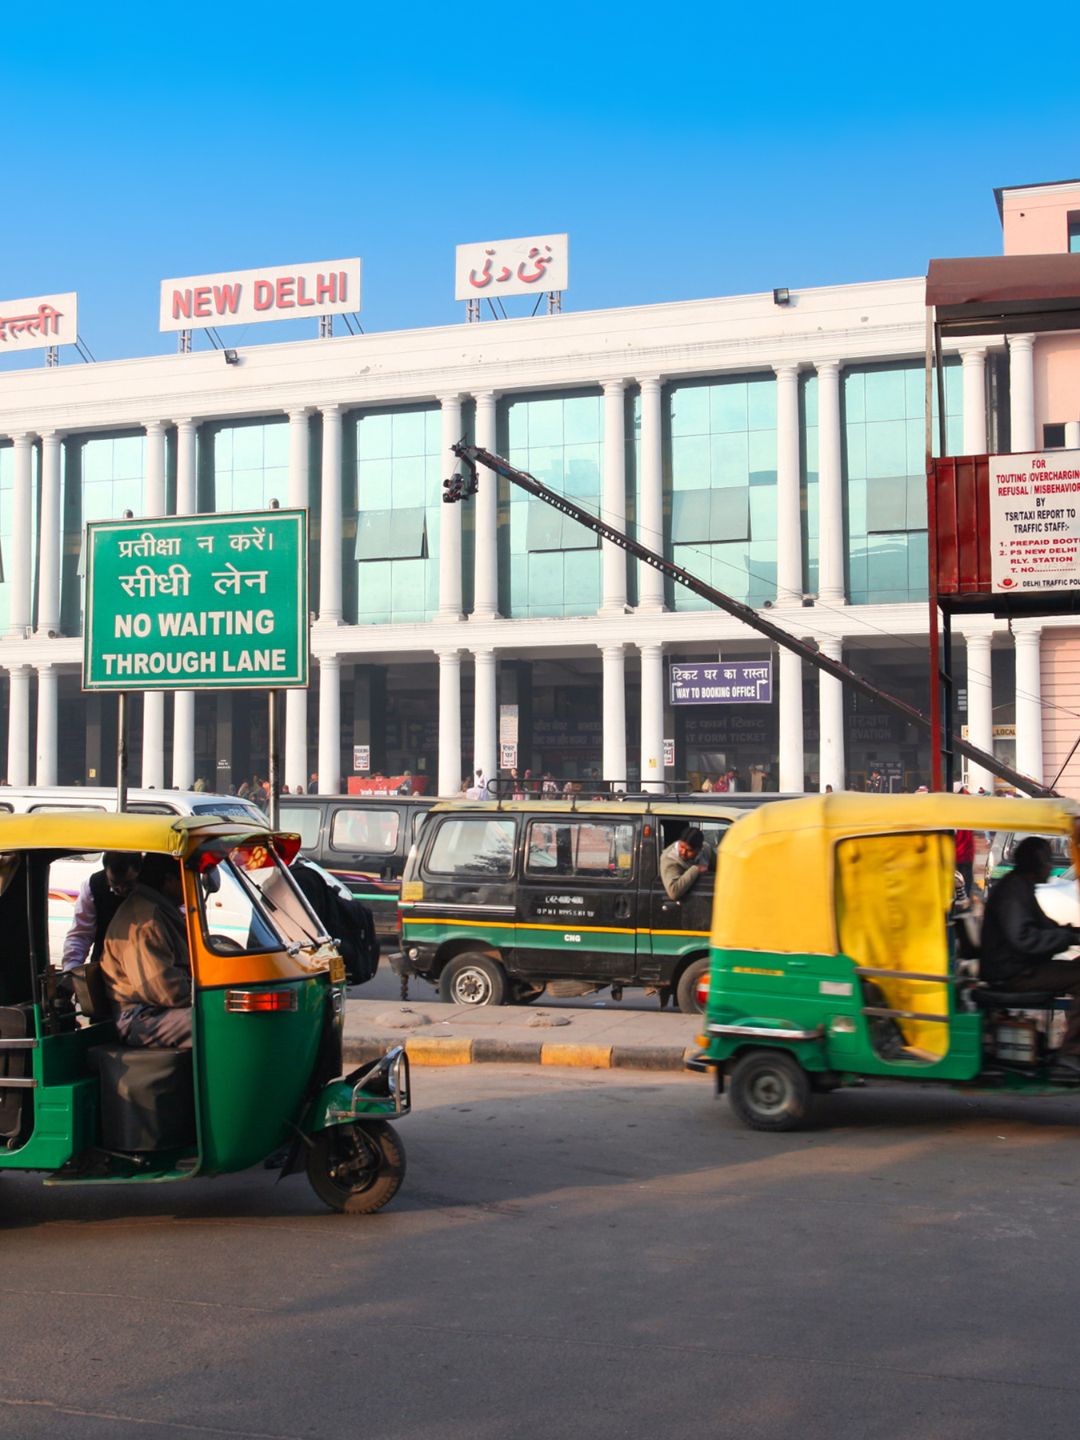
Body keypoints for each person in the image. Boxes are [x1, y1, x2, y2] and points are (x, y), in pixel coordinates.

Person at [980, 836, 1080, 1071]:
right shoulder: (1014, 890)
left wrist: (1071, 933)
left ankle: (1071, 1046)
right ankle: (1072, 1053)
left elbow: (1045, 927)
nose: (1050, 867)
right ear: (1037, 864)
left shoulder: (1021, 886)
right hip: (1013, 972)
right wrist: (1066, 938)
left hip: (1018, 966)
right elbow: (1025, 939)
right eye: (1047, 861)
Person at [100, 852, 192, 1049]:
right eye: (189, 879)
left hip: (158, 1009)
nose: (194, 887)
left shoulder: (159, 910)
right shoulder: (145, 920)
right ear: (169, 880)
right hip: (140, 1016)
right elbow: (163, 988)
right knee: (214, 1022)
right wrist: (207, 994)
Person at [62, 851, 143, 971]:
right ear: (106, 872)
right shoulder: (93, 886)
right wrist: (71, 969)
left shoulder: (153, 889)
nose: (121, 889)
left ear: (140, 873)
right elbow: (81, 934)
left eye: (128, 884)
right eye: (115, 883)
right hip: (105, 969)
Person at [660, 827, 713, 901]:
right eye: (681, 847)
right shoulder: (669, 859)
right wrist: (696, 869)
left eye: (689, 850)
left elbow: (721, 865)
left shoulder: (706, 849)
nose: (683, 852)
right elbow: (673, 892)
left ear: (699, 849)